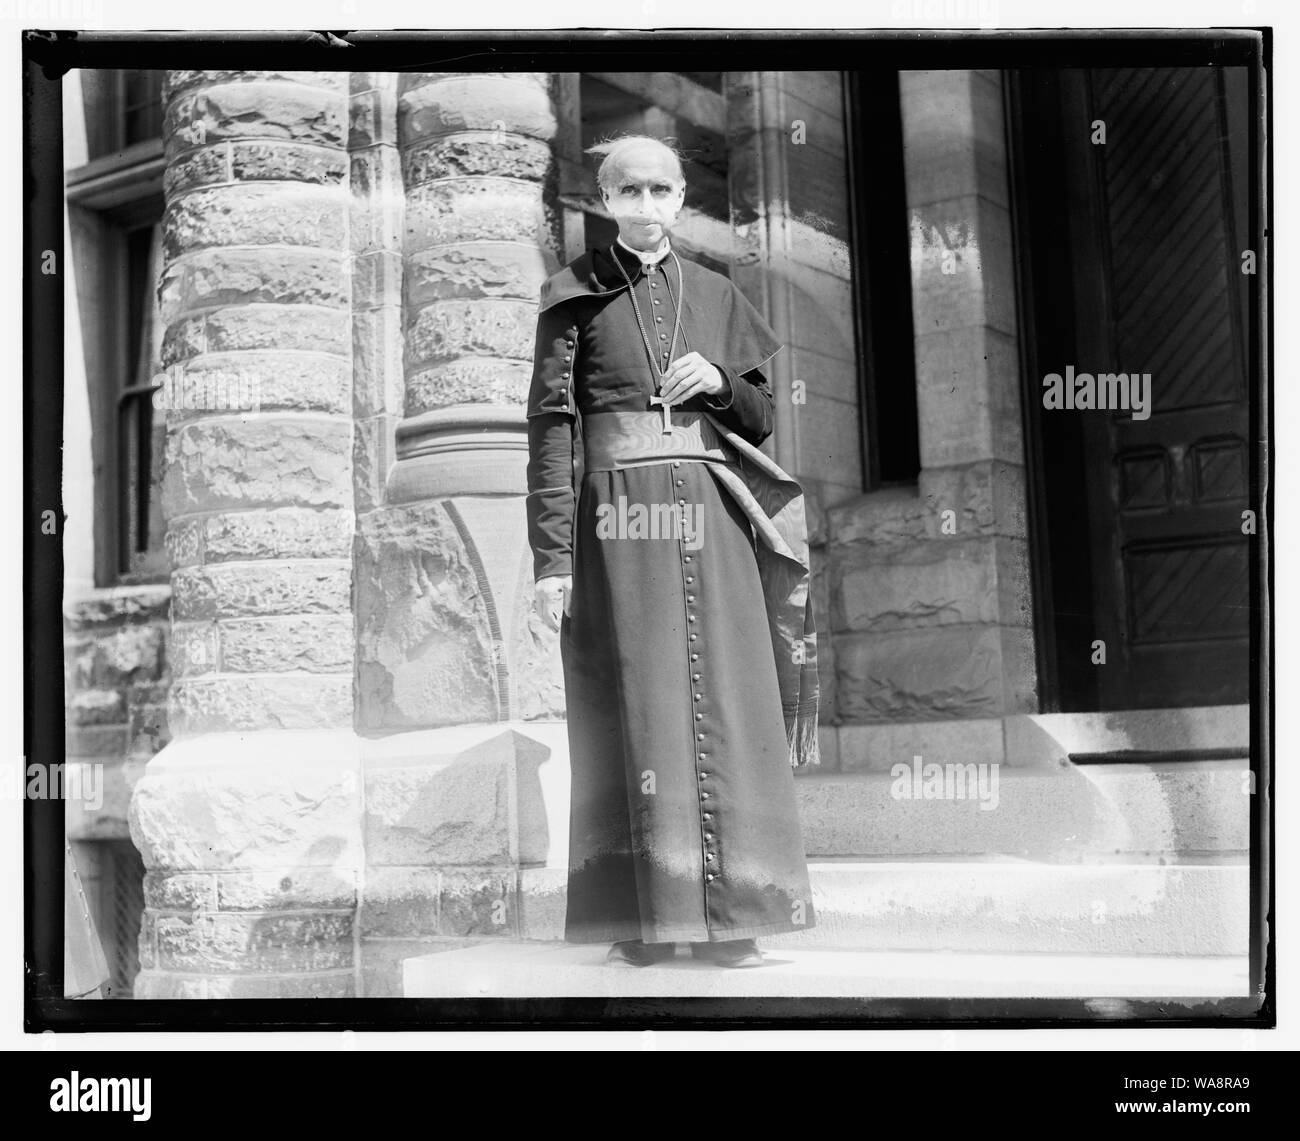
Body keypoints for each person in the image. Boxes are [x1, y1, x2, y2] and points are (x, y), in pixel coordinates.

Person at [526, 135, 819, 969]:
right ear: (604, 198)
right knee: (633, 702)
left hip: (710, 516)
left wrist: (722, 383)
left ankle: (741, 914)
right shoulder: (571, 297)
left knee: (732, 701)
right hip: (614, 522)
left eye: (663, 190)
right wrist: (553, 560)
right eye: (630, 191)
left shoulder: (721, 292)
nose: (647, 205)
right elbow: (553, 434)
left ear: (682, 197)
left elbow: (760, 416)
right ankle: (643, 918)